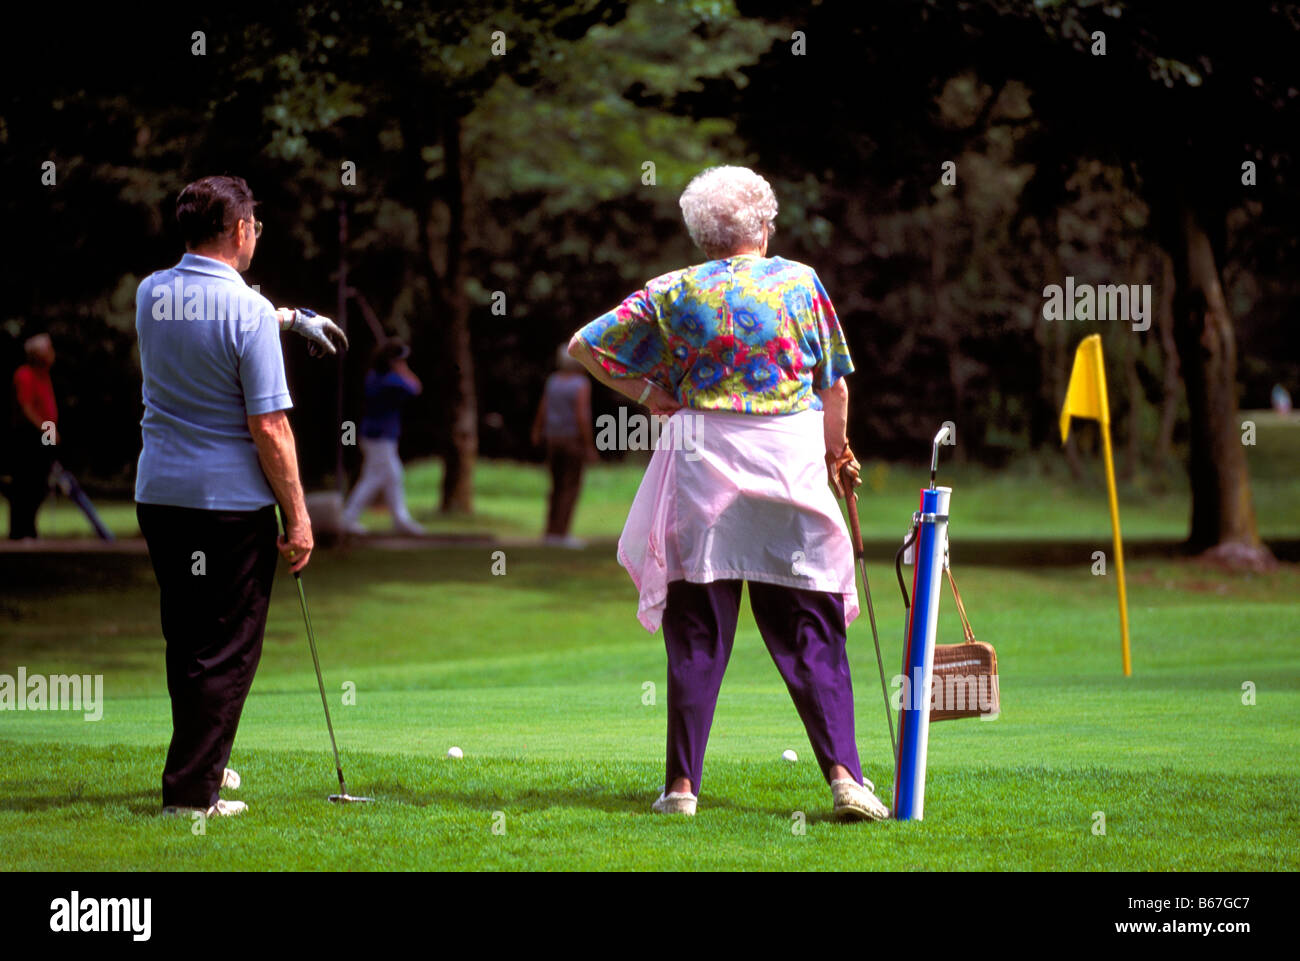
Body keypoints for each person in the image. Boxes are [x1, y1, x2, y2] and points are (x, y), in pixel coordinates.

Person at [568, 165, 886, 821]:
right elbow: (836, 384)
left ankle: (682, 788)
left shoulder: (672, 289)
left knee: (696, 633)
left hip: (703, 468)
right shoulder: (800, 282)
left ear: (702, 233)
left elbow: (585, 346)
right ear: (764, 224)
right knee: (808, 627)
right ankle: (846, 776)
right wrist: (840, 453)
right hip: (786, 467)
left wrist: (653, 395)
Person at [134, 174, 347, 819]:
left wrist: (281, 318)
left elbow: (206, 315)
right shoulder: (248, 312)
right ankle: (190, 799)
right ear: (240, 230)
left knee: (188, 639)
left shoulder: (150, 293)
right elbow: (271, 427)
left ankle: (199, 771)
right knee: (227, 647)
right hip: (226, 504)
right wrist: (301, 518)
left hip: (160, 495)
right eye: (253, 223)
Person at [341, 338, 425, 536]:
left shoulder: (375, 376)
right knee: (379, 478)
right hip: (380, 437)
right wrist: (402, 368)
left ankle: (399, 519)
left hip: (376, 435)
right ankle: (349, 518)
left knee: (389, 477)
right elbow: (415, 387)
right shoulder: (388, 381)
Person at [531, 344, 598, 547]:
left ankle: (551, 531)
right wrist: (588, 445)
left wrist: (537, 431)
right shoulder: (581, 384)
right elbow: (582, 416)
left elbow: (543, 408)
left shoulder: (553, 381)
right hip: (571, 440)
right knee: (570, 486)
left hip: (553, 437)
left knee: (556, 485)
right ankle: (561, 533)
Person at [7, 334, 58, 540]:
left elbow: (48, 411)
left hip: (44, 436)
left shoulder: (44, 376)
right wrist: (47, 431)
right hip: (29, 438)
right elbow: (26, 407)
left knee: (40, 484)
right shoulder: (25, 375)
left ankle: (29, 529)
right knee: (25, 485)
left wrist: (51, 434)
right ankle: (20, 533)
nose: (52, 353)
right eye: (48, 349)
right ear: (37, 354)